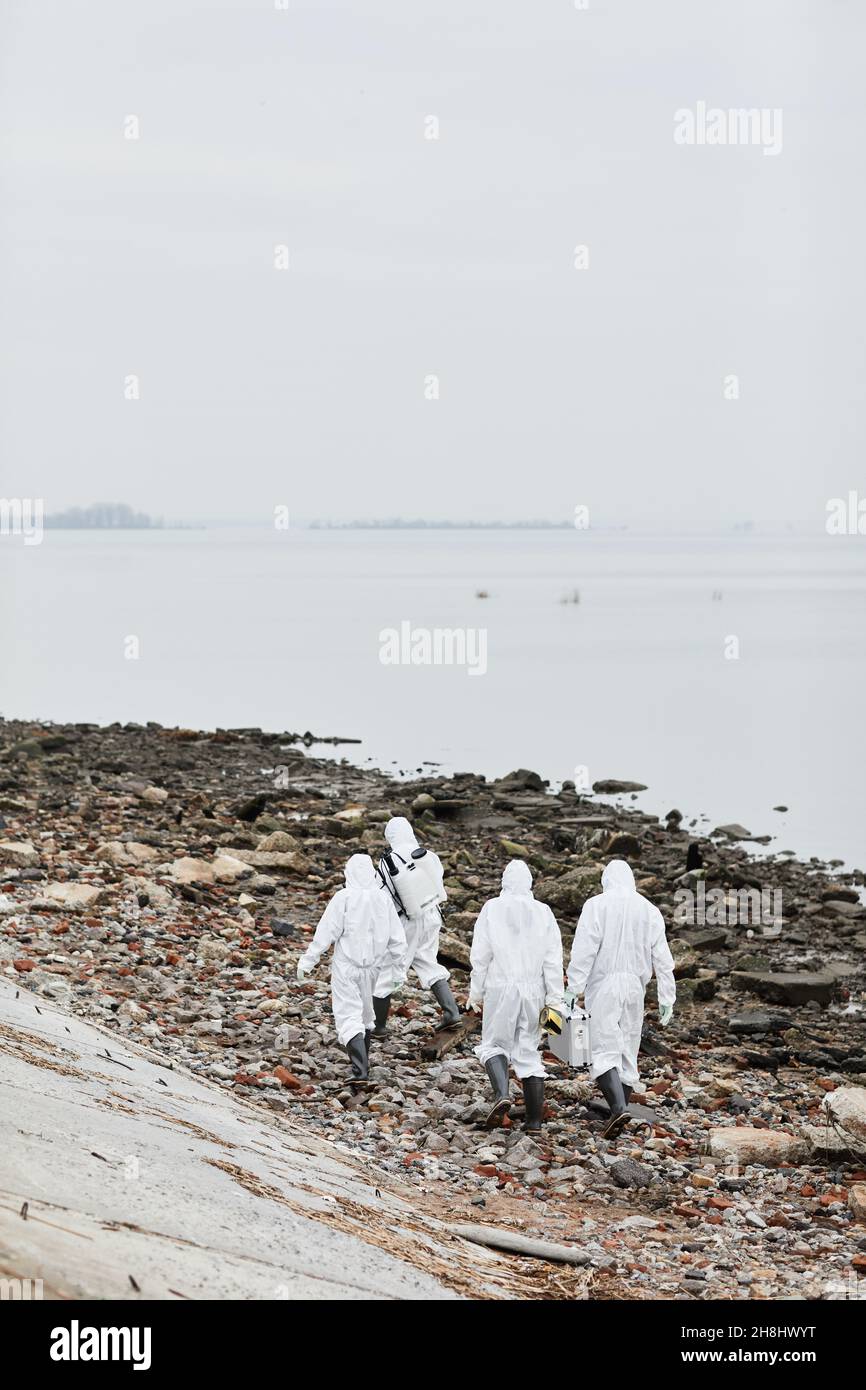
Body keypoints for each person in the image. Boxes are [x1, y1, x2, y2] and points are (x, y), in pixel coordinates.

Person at [567, 858, 675, 1139]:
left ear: (606, 880)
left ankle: (617, 1109)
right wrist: (667, 996)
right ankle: (620, 1109)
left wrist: (572, 987)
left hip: (605, 985)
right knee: (628, 1047)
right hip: (635, 988)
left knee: (602, 1048)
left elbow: (585, 950)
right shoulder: (648, 909)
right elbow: (663, 958)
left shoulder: (596, 905)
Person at [467, 859, 565, 1133]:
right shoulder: (544, 912)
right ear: (530, 883)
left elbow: (481, 955)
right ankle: (534, 1123)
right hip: (534, 990)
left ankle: (502, 1095)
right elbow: (552, 960)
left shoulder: (492, 908)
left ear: (505, 882)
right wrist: (554, 1000)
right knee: (528, 1052)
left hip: (501, 987)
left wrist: (475, 991)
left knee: (494, 1045)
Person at [297, 853, 407, 1087]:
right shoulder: (383, 899)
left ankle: (360, 1070)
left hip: (347, 966)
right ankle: (362, 1063)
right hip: (373, 967)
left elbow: (327, 931)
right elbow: (397, 939)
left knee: (348, 1015)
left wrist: (308, 960)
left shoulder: (344, 897)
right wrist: (398, 970)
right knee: (366, 1015)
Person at [371, 816, 461, 1036]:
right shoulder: (429, 855)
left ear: (390, 836)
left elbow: (381, 895)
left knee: (389, 969)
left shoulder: (388, 860)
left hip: (407, 921)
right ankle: (452, 1013)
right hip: (432, 916)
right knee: (428, 962)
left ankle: (379, 1026)